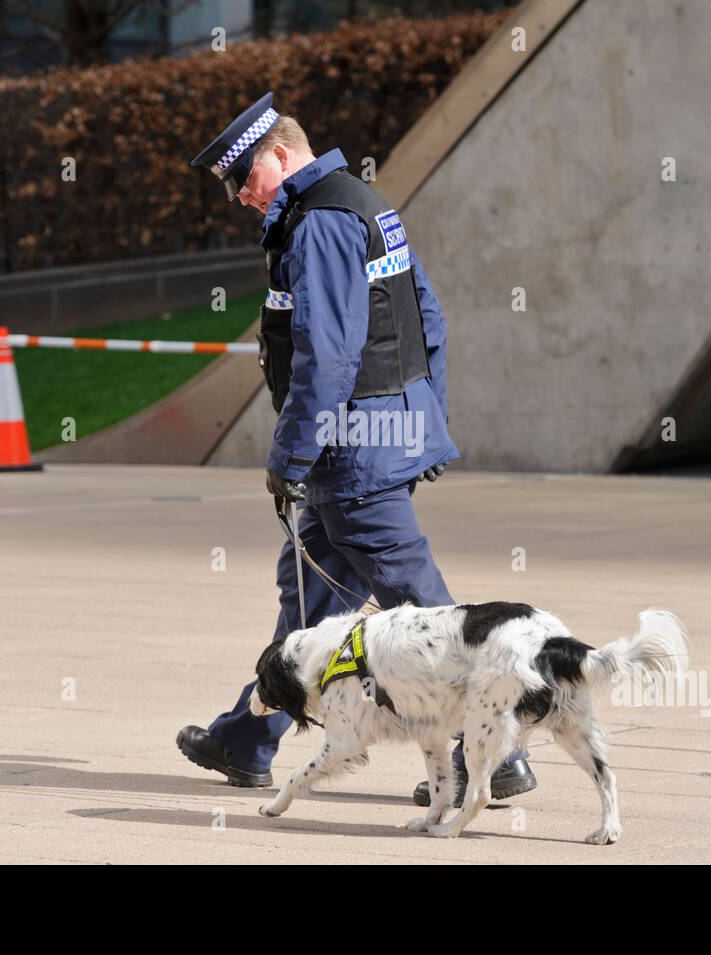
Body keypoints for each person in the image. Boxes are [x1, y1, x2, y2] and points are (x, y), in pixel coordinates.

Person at [175, 92, 535, 807]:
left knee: (426, 615)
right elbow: (423, 318)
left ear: (280, 154)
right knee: (308, 593)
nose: (241, 196)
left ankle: (496, 753)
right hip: (375, 437)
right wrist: (420, 424)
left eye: (243, 177)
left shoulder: (319, 225)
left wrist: (289, 456)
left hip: (352, 452)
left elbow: (329, 355)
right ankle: (248, 735)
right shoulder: (365, 204)